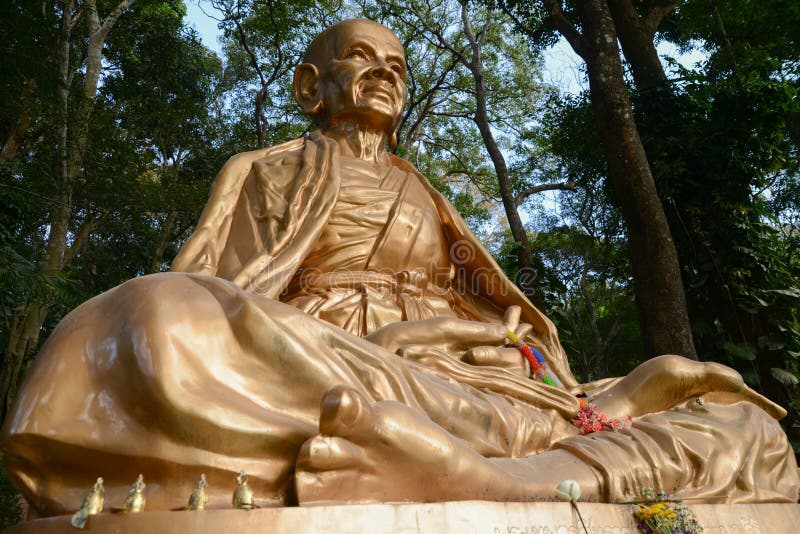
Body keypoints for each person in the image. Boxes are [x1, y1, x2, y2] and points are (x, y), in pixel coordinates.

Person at [3, 19, 797, 516]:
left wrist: (454, 332)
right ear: (311, 86)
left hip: (457, 379)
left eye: (399, 66)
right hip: (314, 356)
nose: (386, 72)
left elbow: (508, 321)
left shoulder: (426, 195)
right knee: (152, 317)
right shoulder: (265, 170)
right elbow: (212, 285)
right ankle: (430, 450)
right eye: (362, 57)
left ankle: (492, 461)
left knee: (744, 419)